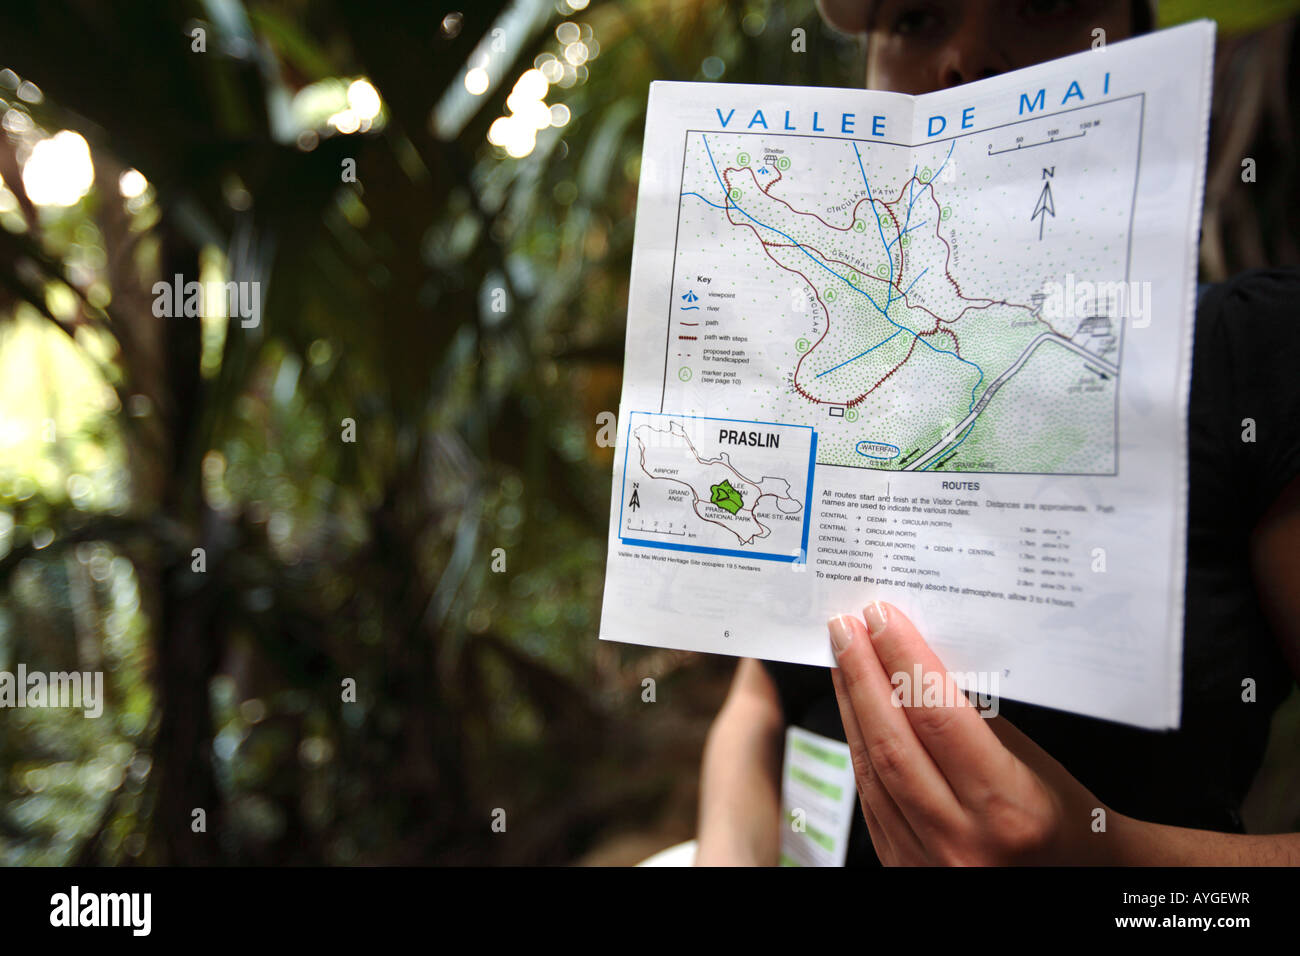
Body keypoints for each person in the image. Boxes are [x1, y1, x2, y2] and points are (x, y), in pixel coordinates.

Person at [694, 0, 1300, 866]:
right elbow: (758, 702)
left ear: (1137, 43)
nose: (966, 59)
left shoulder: (1254, 360)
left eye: (1044, 3)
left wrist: (1111, 858)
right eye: (913, 16)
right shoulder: (827, 394)